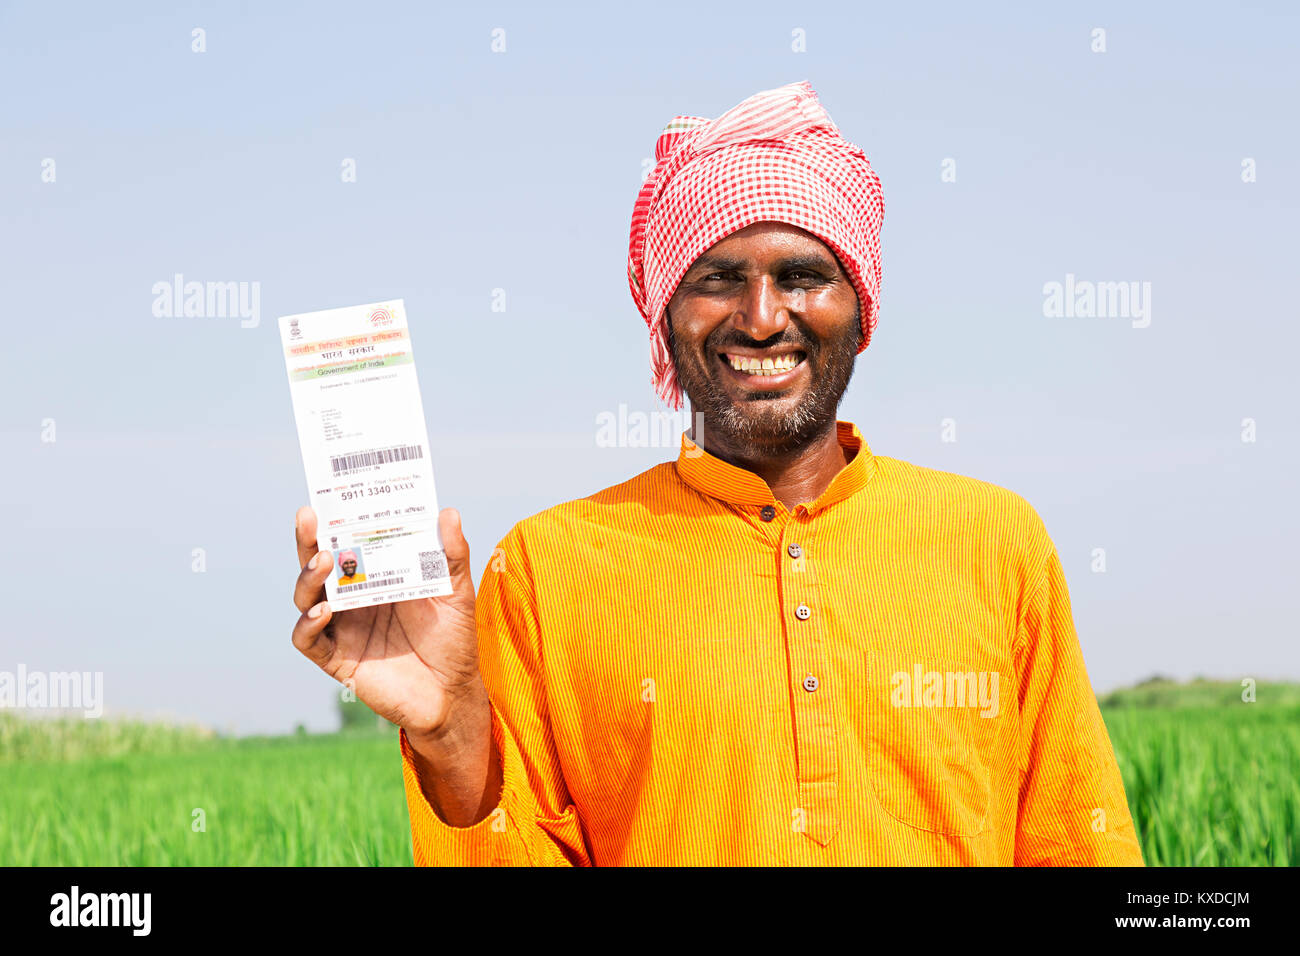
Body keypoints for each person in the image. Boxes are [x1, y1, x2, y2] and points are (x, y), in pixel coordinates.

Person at [289, 81, 1144, 866]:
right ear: (664, 316)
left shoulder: (995, 543)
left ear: (861, 307)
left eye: (804, 276)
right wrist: (450, 737)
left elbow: (1078, 840)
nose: (763, 318)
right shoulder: (550, 568)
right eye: (718, 280)